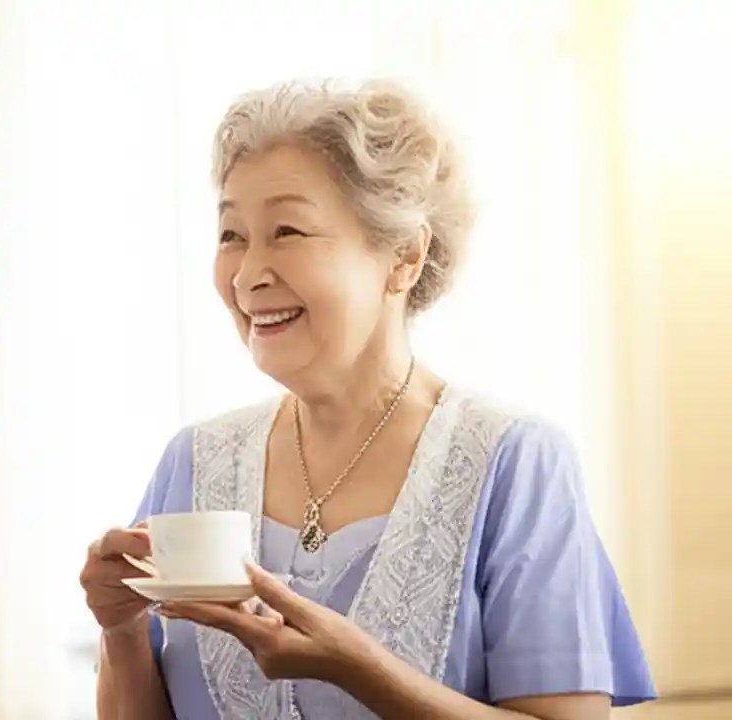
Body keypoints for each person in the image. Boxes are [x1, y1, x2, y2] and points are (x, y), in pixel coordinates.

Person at [81, 79, 656, 719]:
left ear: (405, 256)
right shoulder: (192, 461)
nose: (247, 276)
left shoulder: (514, 462)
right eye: (231, 235)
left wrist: (360, 669)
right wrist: (121, 630)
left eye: (288, 230)